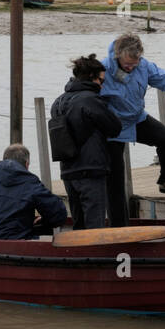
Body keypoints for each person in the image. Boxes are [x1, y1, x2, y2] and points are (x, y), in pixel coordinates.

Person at [100, 33, 165, 226]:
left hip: (137, 118)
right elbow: (88, 95)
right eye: (128, 64)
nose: (131, 67)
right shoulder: (102, 69)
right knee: (115, 183)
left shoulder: (143, 66)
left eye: (134, 64)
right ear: (117, 55)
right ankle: (119, 228)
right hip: (113, 126)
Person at [51, 54, 122, 229]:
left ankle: (77, 254)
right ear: (92, 77)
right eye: (101, 80)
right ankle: (94, 255)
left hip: (68, 171)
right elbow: (115, 127)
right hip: (91, 170)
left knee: (79, 224)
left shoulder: (58, 102)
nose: (102, 85)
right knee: (94, 225)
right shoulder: (91, 100)